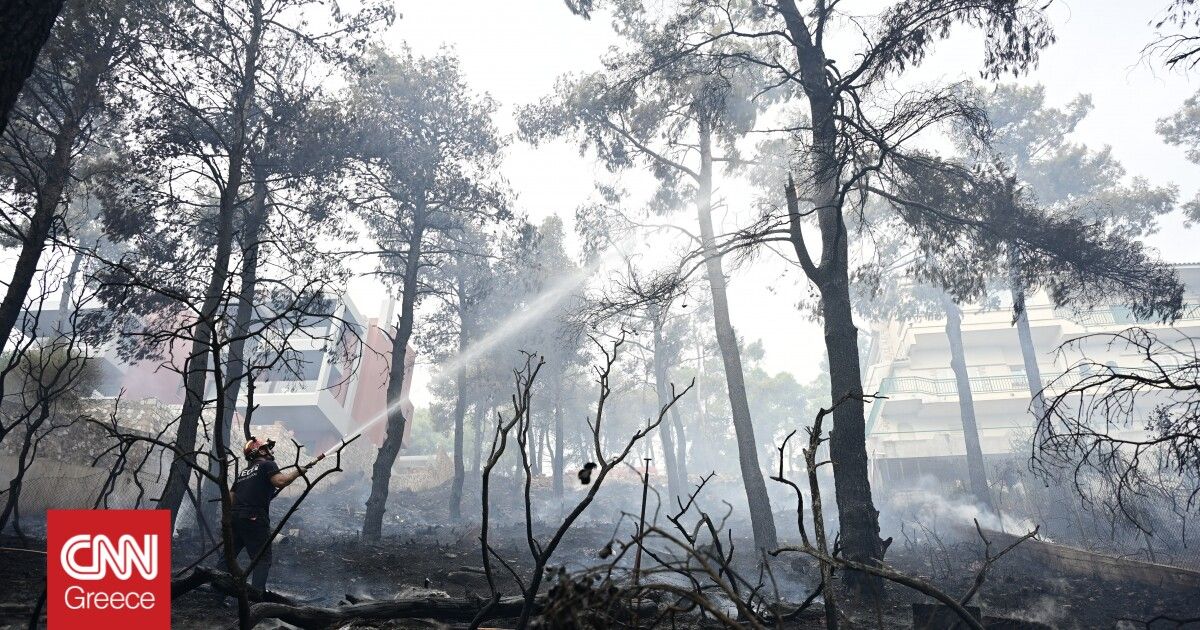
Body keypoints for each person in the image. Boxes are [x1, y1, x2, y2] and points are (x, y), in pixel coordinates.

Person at [225, 436, 322, 592]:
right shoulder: (267, 465)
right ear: (261, 451)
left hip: (236, 518)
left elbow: (230, 498)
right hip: (255, 518)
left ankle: (216, 592)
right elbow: (280, 481)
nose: (270, 451)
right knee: (261, 559)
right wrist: (298, 472)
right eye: (267, 448)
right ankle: (256, 599)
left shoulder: (244, 472)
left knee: (228, 558)